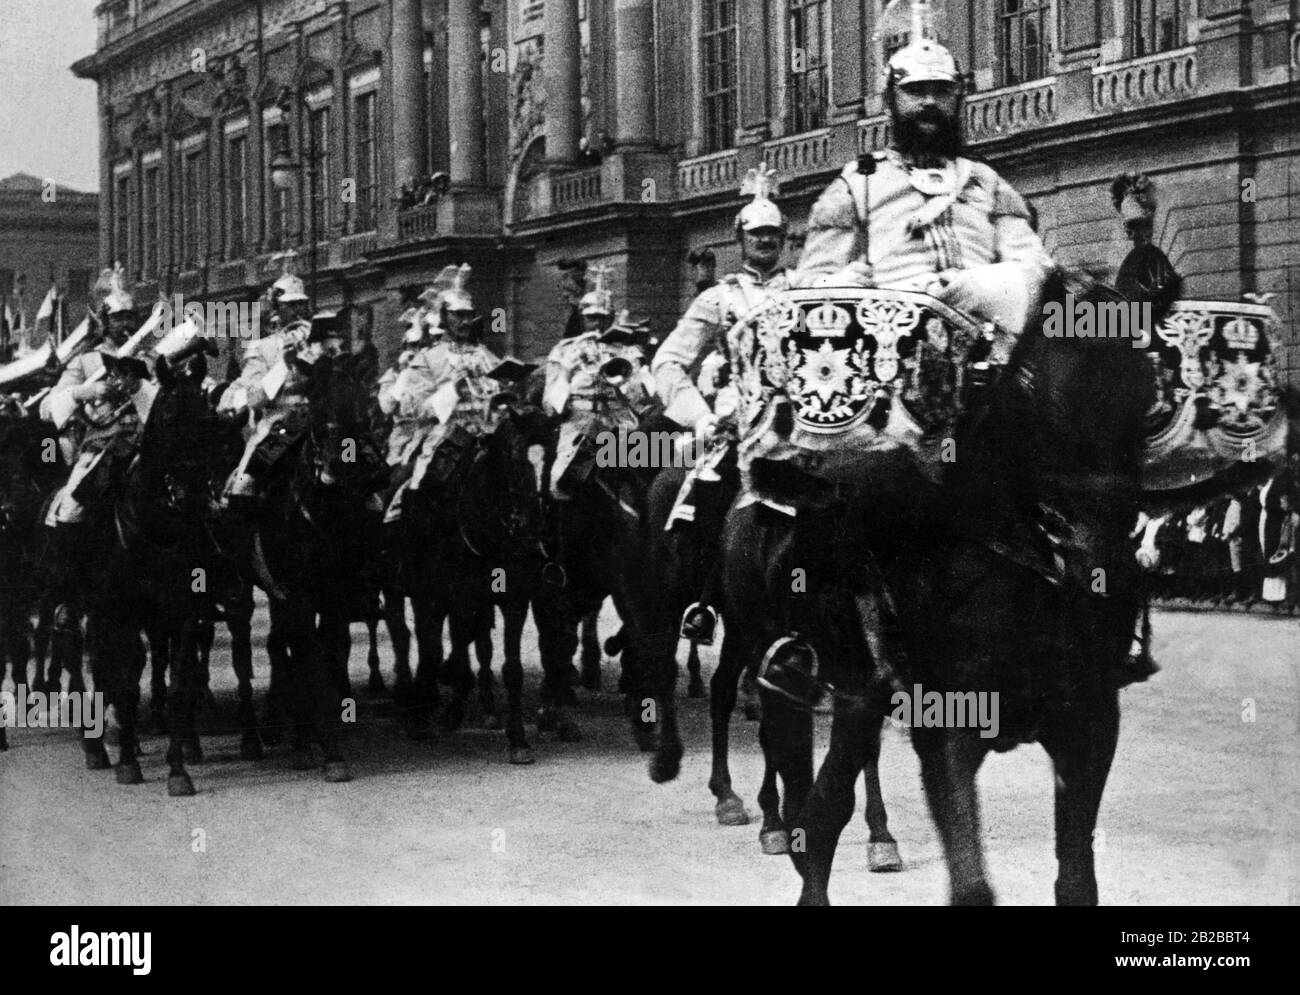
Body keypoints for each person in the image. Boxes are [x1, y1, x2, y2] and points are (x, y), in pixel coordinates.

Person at [746, 3, 1057, 697]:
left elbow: (1033, 268)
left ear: (958, 99)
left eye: (941, 92)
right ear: (891, 99)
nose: (928, 105)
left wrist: (972, 289)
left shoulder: (991, 185)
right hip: (887, 385)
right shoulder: (853, 185)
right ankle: (806, 642)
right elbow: (817, 286)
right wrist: (874, 293)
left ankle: (1084, 621)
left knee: (1075, 483)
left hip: (990, 373)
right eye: (914, 92)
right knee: (830, 498)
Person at [651, 164, 793, 643]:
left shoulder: (806, 289)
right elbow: (667, 362)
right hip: (741, 422)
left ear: (786, 238)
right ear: (740, 238)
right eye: (757, 234)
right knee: (707, 498)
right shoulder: (719, 298)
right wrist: (702, 417)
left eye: (774, 233)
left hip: (801, 419)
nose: (766, 242)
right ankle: (702, 602)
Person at [383, 264, 502, 522]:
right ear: (444, 317)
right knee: (423, 486)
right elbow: (414, 409)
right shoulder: (428, 358)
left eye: (468, 315)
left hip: (488, 433)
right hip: (445, 436)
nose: (464, 321)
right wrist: (452, 390)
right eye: (457, 315)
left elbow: (498, 395)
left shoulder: (487, 357)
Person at [543, 264, 653, 499]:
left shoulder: (628, 351)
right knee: (562, 482)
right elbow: (550, 407)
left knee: (645, 478)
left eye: (604, 318)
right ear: (582, 318)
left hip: (621, 427)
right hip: (579, 427)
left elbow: (644, 401)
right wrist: (565, 373)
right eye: (592, 318)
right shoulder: (564, 351)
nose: (598, 324)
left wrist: (628, 379)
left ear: (611, 318)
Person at [1112, 172, 1182, 324]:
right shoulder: (1134, 259)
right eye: (1140, 228)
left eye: (1148, 227)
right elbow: (1127, 295)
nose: (1146, 234)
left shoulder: (1156, 255)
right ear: (1131, 233)